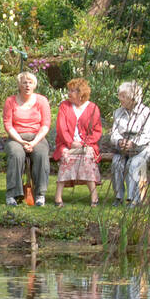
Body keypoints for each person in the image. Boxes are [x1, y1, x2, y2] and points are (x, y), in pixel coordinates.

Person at [51, 77, 102, 207]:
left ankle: (94, 195)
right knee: (66, 156)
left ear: (81, 93)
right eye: (69, 90)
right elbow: (61, 128)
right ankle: (58, 196)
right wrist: (70, 143)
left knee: (87, 156)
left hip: (87, 145)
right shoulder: (64, 106)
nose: (69, 93)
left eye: (73, 91)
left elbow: (97, 131)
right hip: (66, 144)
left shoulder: (93, 108)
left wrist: (85, 143)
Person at [2, 71, 51, 206]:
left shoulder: (42, 101)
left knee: (41, 154)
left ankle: (40, 194)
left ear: (34, 85)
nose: (27, 85)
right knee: (16, 154)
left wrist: (34, 142)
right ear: (19, 85)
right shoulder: (10, 101)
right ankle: (12, 194)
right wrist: (21, 141)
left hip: (37, 137)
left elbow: (46, 125)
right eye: (24, 82)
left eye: (30, 83)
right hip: (16, 137)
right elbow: (8, 125)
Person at [109, 81, 150, 207]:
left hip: (142, 147)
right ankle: (118, 197)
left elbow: (147, 135)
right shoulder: (118, 112)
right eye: (119, 95)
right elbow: (114, 133)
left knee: (134, 164)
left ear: (132, 98)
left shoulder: (146, 113)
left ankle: (133, 199)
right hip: (123, 148)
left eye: (123, 96)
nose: (120, 98)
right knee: (116, 163)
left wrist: (133, 143)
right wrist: (120, 141)